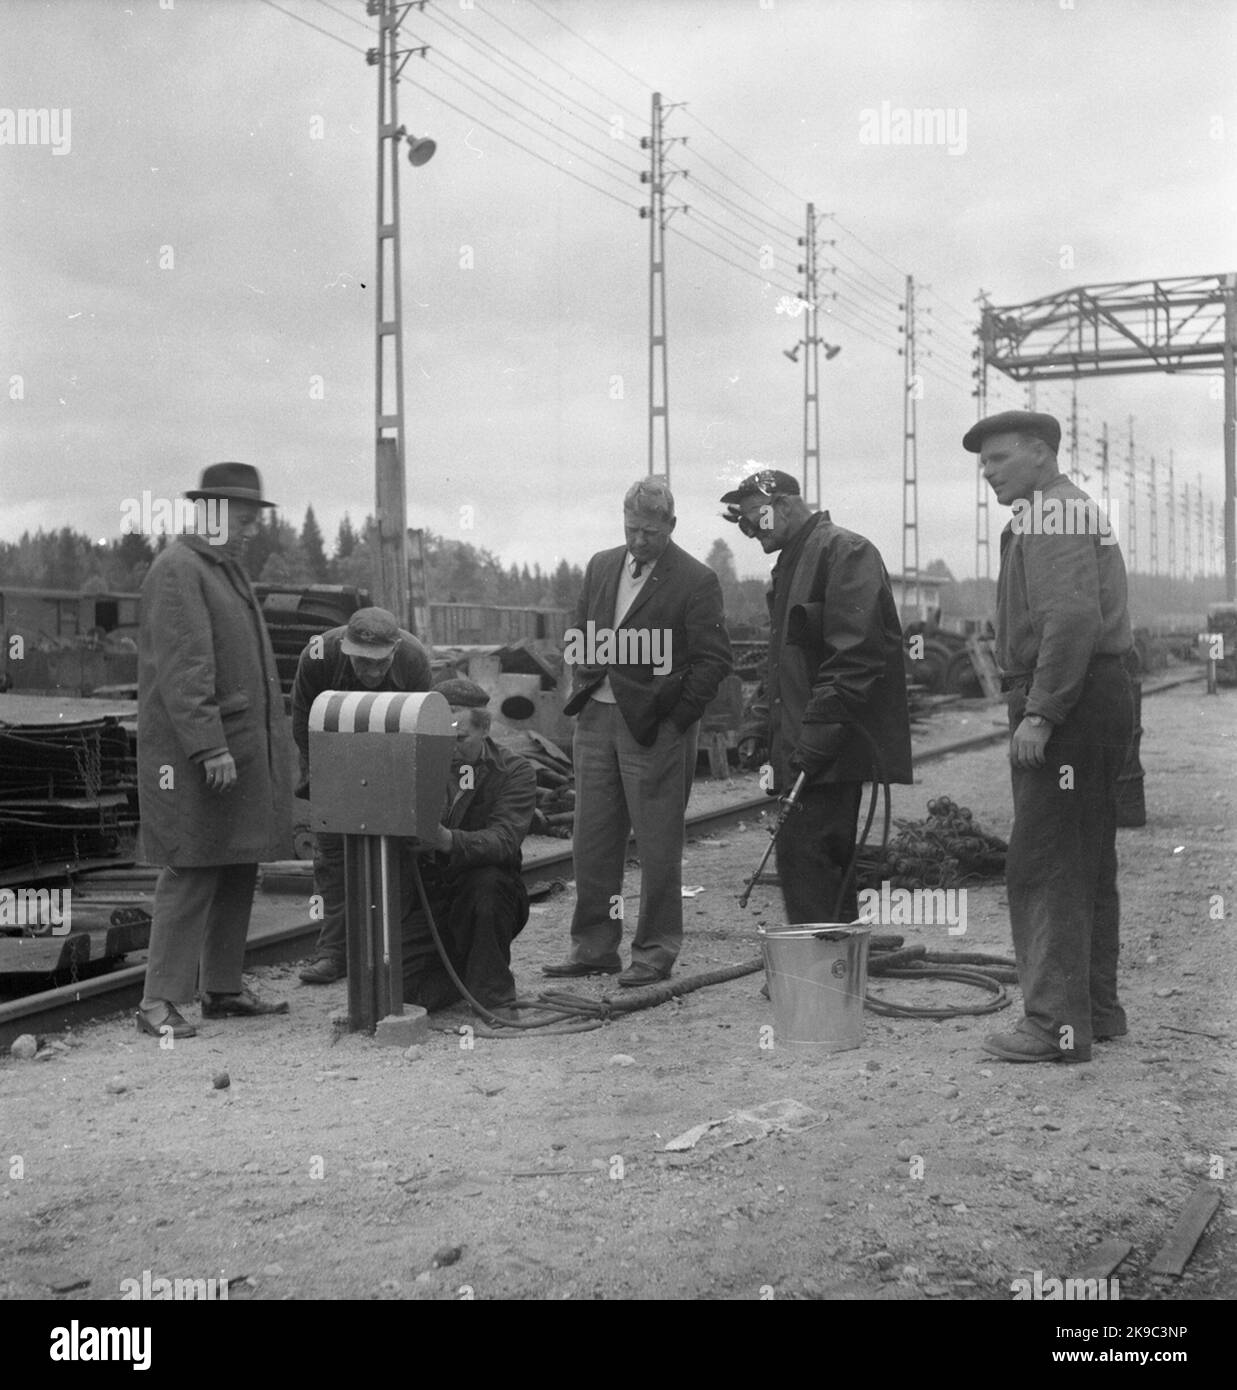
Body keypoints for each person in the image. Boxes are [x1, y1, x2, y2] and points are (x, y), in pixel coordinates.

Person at [964, 410, 1134, 1064]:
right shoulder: (1056, 509)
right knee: (1086, 856)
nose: (987, 473)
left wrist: (1040, 712)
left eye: (998, 459)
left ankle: (1053, 1025)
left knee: (1046, 861)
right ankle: (1094, 1011)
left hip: (1070, 700)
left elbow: (1070, 618)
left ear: (1039, 453)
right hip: (1094, 694)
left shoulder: (1052, 513)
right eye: (983, 463)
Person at [545, 477, 732, 987]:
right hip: (596, 721)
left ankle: (654, 951)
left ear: (671, 525)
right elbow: (581, 629)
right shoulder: (601, 565)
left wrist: (676, 720)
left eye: (650, 532)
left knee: (657, 845)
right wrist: (582, 683)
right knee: (593, 840)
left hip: (655, 727)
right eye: (632, 529)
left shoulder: (695, 580)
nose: (639, 540)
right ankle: (594, 948)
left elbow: (713, 661)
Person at [134, 462, 293, 1040]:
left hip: (237, 750)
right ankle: (157, 1002)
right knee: (192, 866)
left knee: (237, 863)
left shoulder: (222, 568)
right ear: (214, 512)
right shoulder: (180, 568)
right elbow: (185, 670)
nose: (250, 531)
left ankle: (222, 989)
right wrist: (207, 748)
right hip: (197, 755)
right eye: (244, 520)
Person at [724, 469, 912, 925]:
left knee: (811, 862)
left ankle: (821, 964)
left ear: (785, 506)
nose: (751, 531)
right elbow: (782, 663)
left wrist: (816, 738)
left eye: (755, 519)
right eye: (743, 524)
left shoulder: (844, 552)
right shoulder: (792, 563)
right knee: (807, 865)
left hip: (828, 753)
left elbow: (856, 657)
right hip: (805, 749)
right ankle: (827, 961)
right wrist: (759, 725)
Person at [292, 607, 433, 984]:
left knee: (397, 852)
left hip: (393, 760)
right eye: (361, 662)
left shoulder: (414, 659)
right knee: (333, 859)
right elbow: (303, 725)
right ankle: (333, 952)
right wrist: (334, 782)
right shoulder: (318, 656)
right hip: (331, 760)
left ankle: (393, 949)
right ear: (346, 648)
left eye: (379, 664)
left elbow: (420, 726)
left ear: (395, 650)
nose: (370, 673)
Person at [401, 678, 536, 1019]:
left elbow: (505, 841)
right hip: (429, 897)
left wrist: (446, 840)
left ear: (485, 730)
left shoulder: (514, 771)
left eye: (460, 739)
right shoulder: (412, 763)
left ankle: (494, 999)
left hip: (483, 897)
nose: (450, 749)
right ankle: (465, 971)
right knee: (398, 992)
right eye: (441, 738)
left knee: (488, 882)